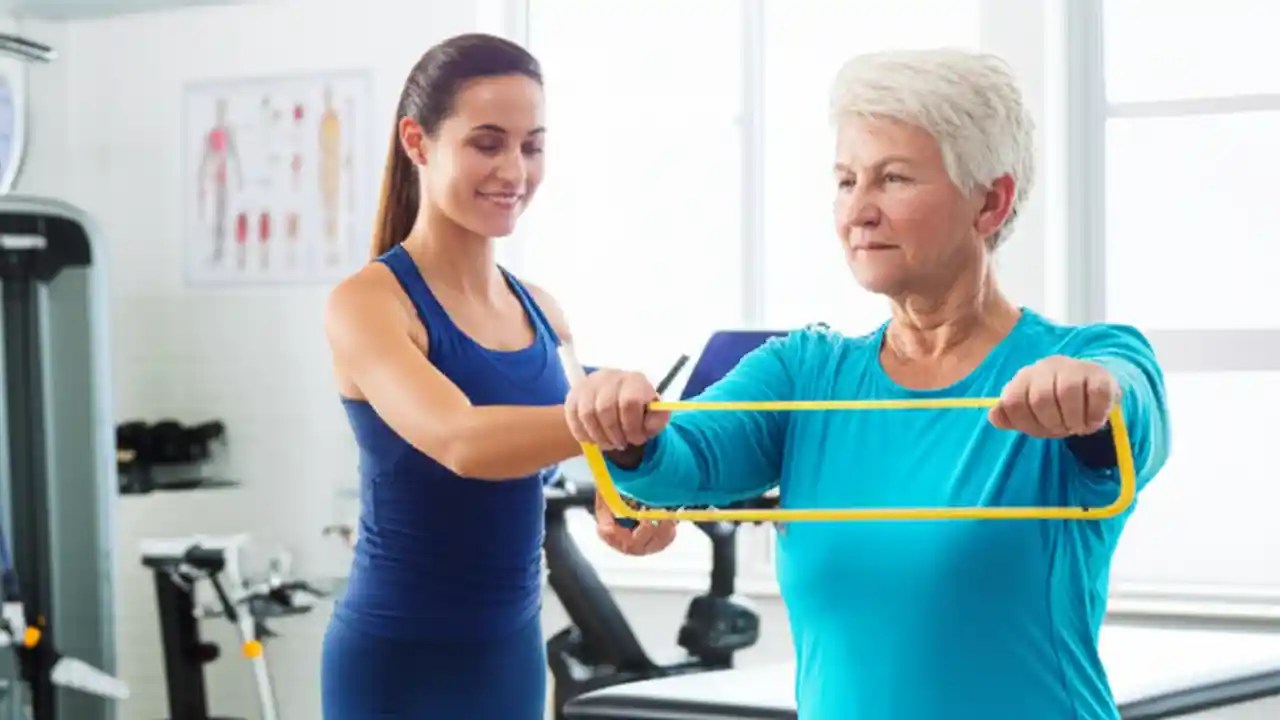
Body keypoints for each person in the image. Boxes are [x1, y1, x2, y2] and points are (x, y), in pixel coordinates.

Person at [565, 48, 1170, 720]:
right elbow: (681, 461)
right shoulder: (805, 372)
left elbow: (1130, 413)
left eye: (894, 179)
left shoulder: (1080, 360)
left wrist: (1088, 396)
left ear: (990, 202)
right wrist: (623, 430)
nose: (859, 210)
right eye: (847, 180)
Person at [319, 33, 675, 719]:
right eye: (487, 143)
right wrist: (606, 424)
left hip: (510, 656)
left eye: (532, 145)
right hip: (396, 665)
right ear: (417, 142)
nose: (514, 169)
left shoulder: (543, 310)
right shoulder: (368, 303)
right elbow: (463, 441)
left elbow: (589, 468)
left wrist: (637, 498)